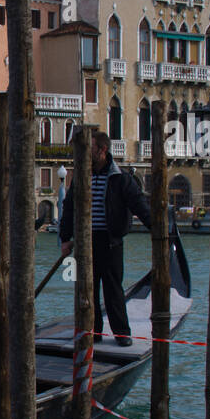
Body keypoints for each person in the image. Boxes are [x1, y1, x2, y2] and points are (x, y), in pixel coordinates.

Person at [59, 132, 153, 346]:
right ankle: (93, 332)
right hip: (85, 242)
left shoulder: (120, 178)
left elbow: (138, 204)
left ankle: (121, 334)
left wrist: (156, 230)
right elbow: (69, 207)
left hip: (111, 242)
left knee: (113, 290)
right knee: (86, 289)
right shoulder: (82, 177)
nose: (84, 153)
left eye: (89, 148)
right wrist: (65, 238)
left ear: (102, 150)